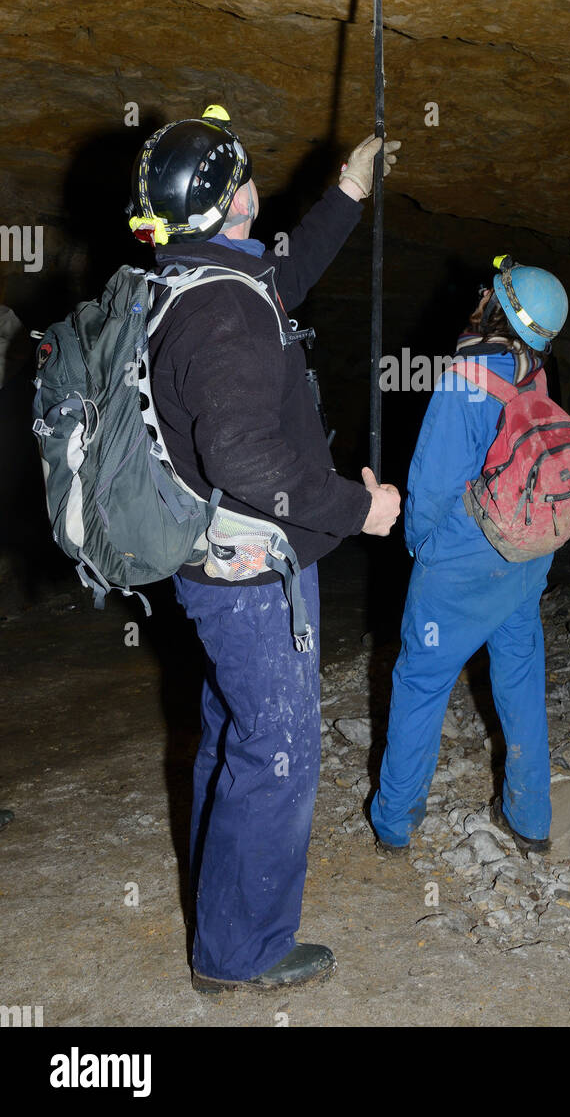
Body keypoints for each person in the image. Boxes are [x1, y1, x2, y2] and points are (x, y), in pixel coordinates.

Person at [129, 105, 402, 993]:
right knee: (279, 747)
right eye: (245, 171)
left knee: (233, 734)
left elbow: (281, 276)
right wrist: (353, 508)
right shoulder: (220, 315)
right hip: (249, 574)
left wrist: (350, 190)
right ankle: (239, 951)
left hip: (214, 564)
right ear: (236, 198)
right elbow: (246, 456)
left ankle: (222, 922)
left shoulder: (202, 278)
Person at [370, 261, 570, 855]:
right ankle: (531, 818)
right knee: (520, 676)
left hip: (462, 560)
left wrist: (418, 546)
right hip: (525, 555)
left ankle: (395, 821)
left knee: (421, 683)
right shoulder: (534, 374)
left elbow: (431, 483)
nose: (481, 293)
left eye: (491, 290)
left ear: (498, 309)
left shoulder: (467, 376)